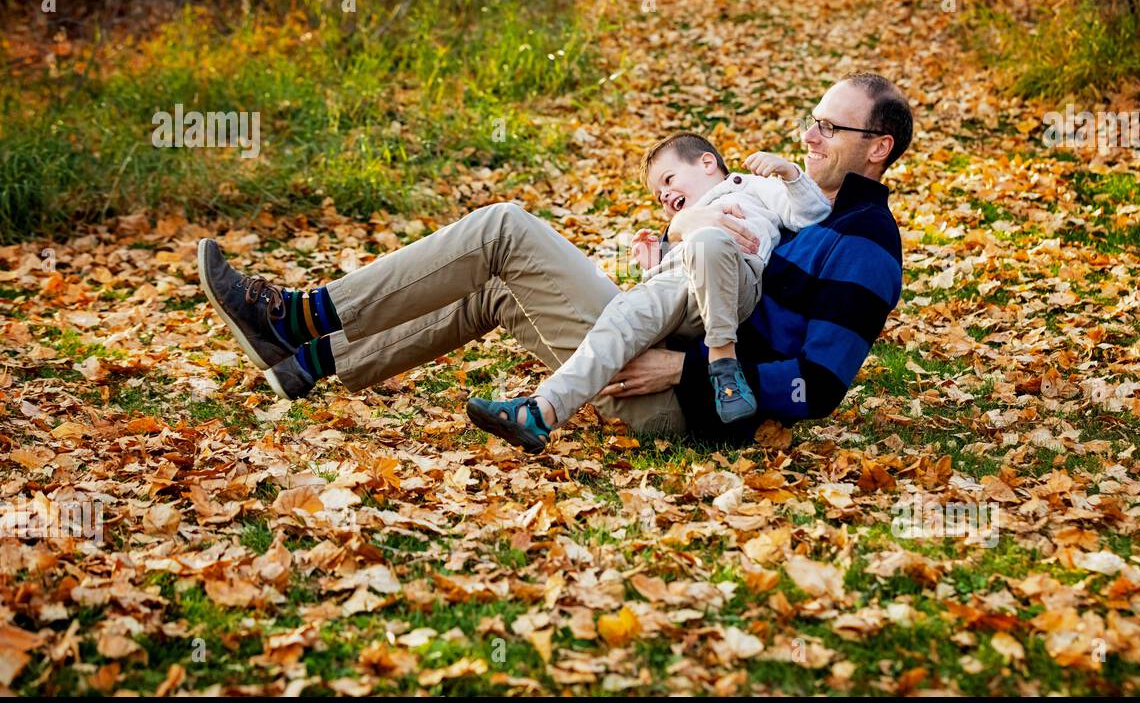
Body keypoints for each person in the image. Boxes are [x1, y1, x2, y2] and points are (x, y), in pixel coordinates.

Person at [195, 73, 910, 444]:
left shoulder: (865, 247)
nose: (809, 136)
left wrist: (685, 371)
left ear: (877, 147)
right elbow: (717, 265)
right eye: (810, 121)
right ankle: (312, 361)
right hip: (666, 337)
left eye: (829, 127)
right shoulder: (794, 201)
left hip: (682, 400)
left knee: (503, 229)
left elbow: (816, 390)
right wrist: (679, 238)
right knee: (499, 292)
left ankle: (299, 317)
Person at [465, 132, 830, 452]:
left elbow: (810, 213)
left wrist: (789, 173)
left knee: (709, 240)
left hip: (734, 282)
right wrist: (652, 264)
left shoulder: (748, 187)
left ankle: (724, 362)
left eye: (669, 179)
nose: (666, 195)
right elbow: (667, 295)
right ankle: (541, 410)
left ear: (707, 163)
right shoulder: (678, 229)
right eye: (659, 194)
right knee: (620, 319)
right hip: (681, 285)